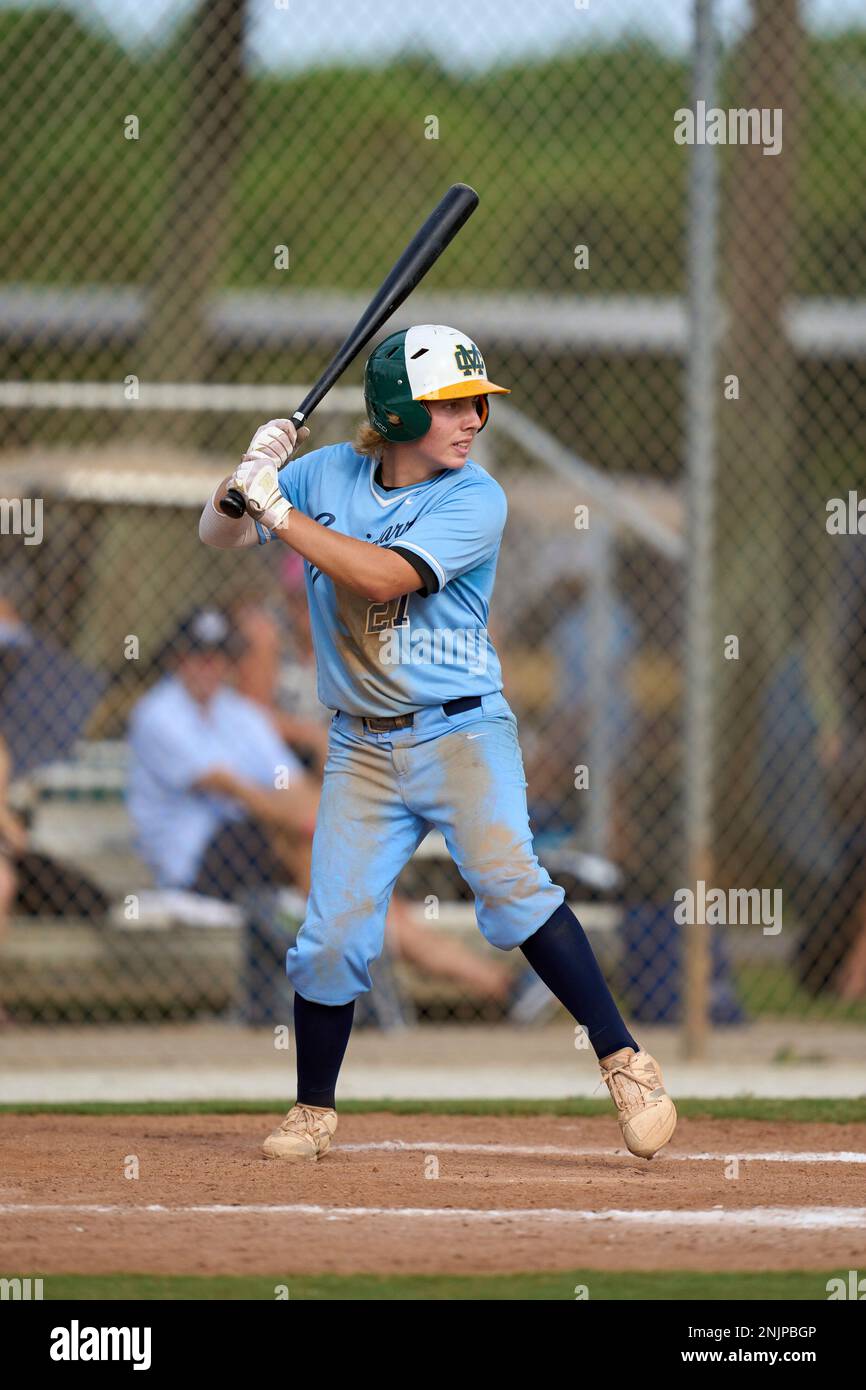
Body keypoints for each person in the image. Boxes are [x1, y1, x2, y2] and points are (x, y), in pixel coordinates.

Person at [199, 323, 677, 1162]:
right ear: (397, 409)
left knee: (513, 890)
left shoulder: (474, 498)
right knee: (334, 935)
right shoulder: (323, 477)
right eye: (452, 405)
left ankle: (624, 1059)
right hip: (361, 748)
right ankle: (313, 1109)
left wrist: (278, 506)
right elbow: (223, 536)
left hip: (460, 731)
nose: (471, 422)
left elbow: (381, 575)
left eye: (475, 406)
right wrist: (243, 479)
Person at [127, 607, 319, 899]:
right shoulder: (157, 713)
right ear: (178, 660)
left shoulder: (239, 713)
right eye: (199, 657)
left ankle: (344, 929)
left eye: (218, 657)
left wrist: (321, 818)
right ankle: (341, 931)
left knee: (300, 840)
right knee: (291, 839)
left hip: (250, 840)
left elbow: (290, 780)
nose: (210, 666)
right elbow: (233, 788)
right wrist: (308, 824)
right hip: (193, 863)